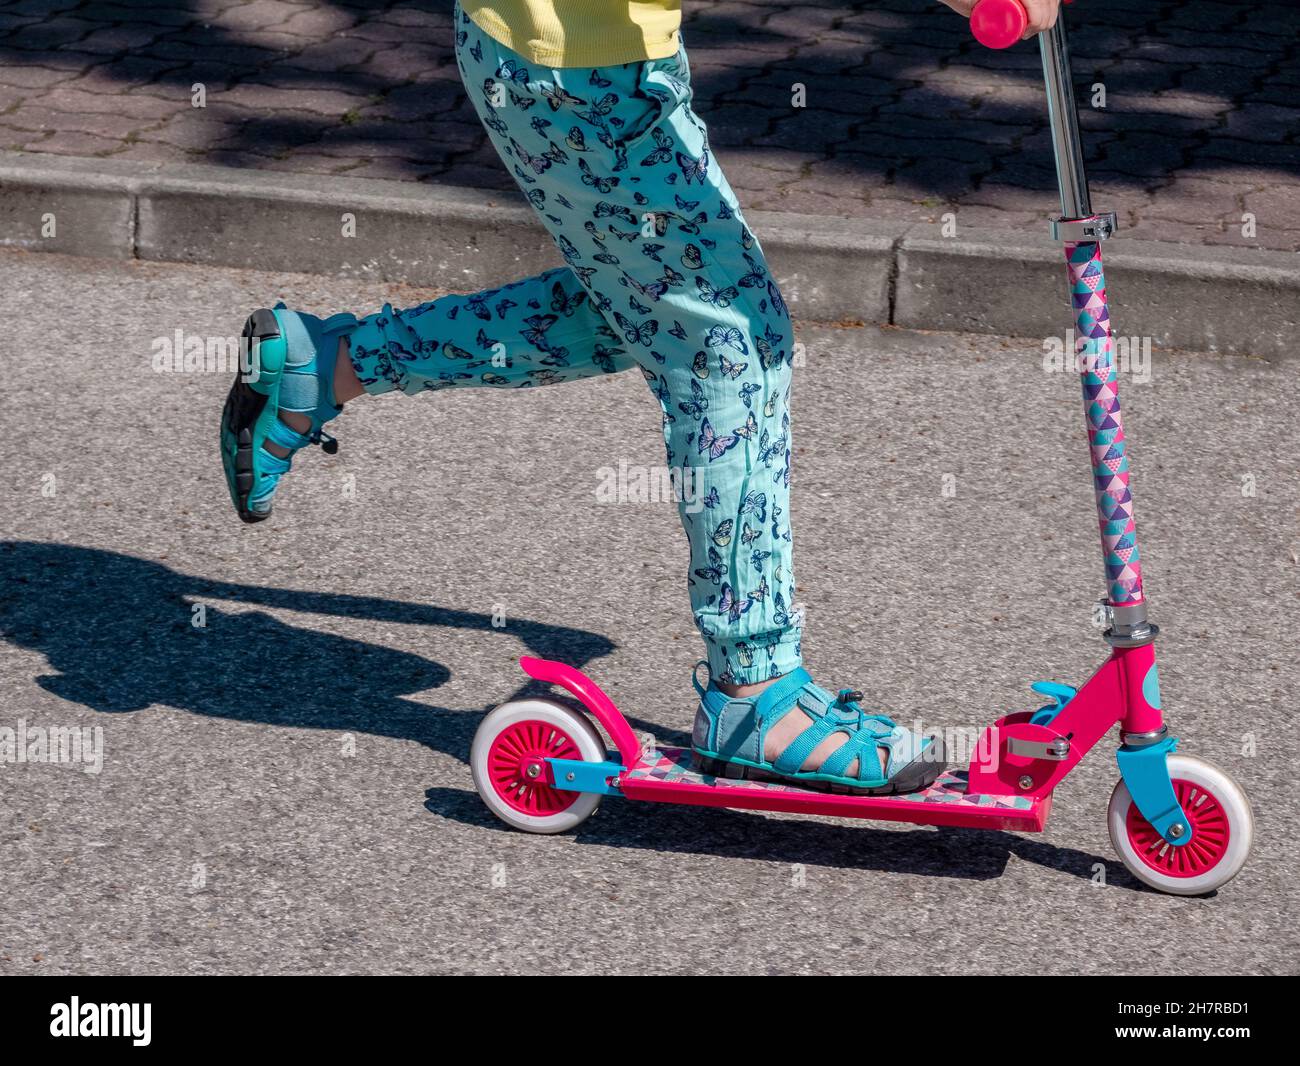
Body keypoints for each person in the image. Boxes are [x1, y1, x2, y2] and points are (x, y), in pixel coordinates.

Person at [220, 0, 1060, 794]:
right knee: (733, 348)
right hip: (574, 71)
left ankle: (325, 367)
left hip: (581, 56)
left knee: (641, 312)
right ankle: (754, 691)